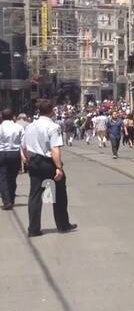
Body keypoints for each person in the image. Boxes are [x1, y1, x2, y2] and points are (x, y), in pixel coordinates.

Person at [21, 99, 75, 237]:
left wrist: (28, 161)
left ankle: (33, 229)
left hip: (34, 162)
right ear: (51, 111)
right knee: (59, 194)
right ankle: (63, 224)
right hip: (48, 162)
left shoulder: (30, 126)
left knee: (34, 196)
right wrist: (59, 167)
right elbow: (55, 148)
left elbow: (23, 147)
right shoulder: (53, 126)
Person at [0, 108, 24, 210]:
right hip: (14, 154)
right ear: (12, 116)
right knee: (12, 177)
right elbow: (24, 143)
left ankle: (6, 201)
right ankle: (11, 198)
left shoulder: (0, 127)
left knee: (3, 177)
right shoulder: (18, 127)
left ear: (2, 116)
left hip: (1, 153)